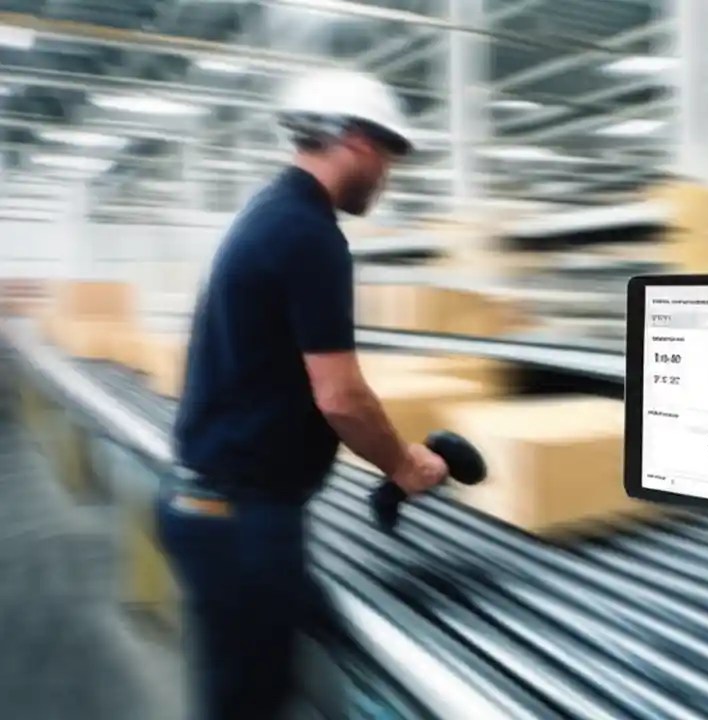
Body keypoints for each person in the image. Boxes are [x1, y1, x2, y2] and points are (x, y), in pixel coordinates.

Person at [156, 69, 447, 720]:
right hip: (238, 519)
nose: (386, 179)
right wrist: (406, 464)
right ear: (360, 144)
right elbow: (340, 397)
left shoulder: (270, 212)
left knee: (263, 683)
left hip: (214, 507)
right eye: (388, 161)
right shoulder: (310, 236)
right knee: (247, 708)